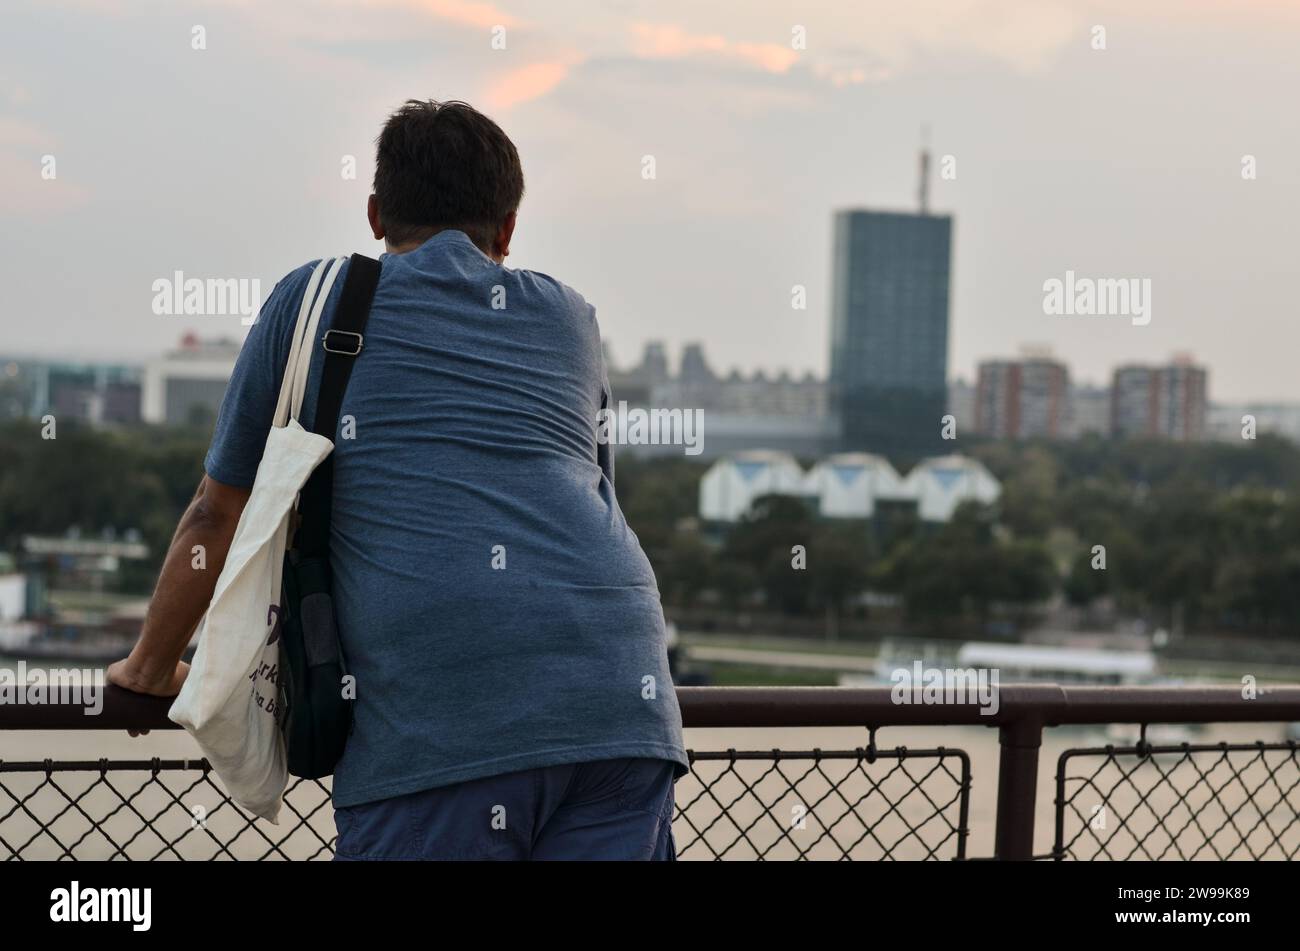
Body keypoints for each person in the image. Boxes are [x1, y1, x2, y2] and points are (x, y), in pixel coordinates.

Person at [107, 99, 687, 861]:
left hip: (444, 726)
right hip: (623, 702)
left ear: (376, 213)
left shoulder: (312, 302)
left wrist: (149, 669)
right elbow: (589, 492)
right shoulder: (570, 318)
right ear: (507, 229)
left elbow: (215, 513)